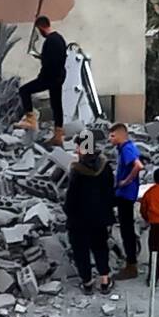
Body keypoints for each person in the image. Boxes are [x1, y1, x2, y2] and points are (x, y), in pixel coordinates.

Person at [64, 143, 115, 294]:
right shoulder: (105, 167)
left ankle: (87, 283)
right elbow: (110, 191)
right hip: (99, 218)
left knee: (81, 250)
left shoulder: (77, 171)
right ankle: (105, 282)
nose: (75, 150)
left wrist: (68, 211)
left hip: (79, 220)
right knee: (100, 247)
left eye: (78, 147)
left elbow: (71, 197)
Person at [19, 16, 67, 146]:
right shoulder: (60, 38)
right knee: (57, 104)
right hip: (59, 76)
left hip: (49, 77)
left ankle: (31, 119)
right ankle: (58, 136)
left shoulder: (49, 41)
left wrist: (42, 75)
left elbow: (48, 63)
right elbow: (60, 58)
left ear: (41, 27)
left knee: (24, 90)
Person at [110, 123, 143, 280]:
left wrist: (125, 182)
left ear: (121, 135)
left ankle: (131, 265)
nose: (110, 139)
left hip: (125, 195)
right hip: (123, 194)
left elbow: (138, 166)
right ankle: (130, 260)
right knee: (126, 227)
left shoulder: (127, 149)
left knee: (126, 229)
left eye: (113, 136)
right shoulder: (126, 148)